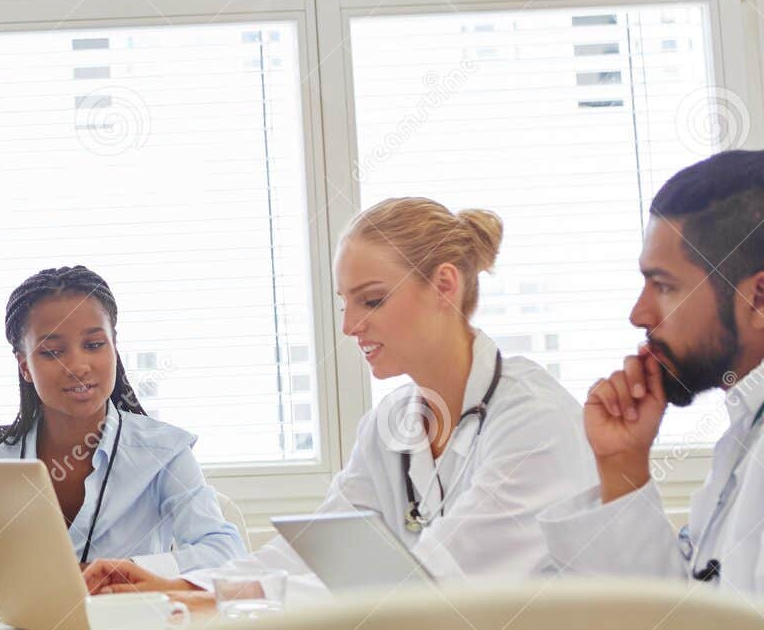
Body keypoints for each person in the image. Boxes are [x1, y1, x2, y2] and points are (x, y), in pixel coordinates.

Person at [85, 199, 595, 604]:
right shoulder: (392, 423)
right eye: (345, 302)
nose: (350, 326)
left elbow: (433, 583)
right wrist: (180, 586)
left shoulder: (534, 420)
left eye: (371, 300)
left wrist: (217, 597)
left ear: (444, 285)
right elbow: (309, 556)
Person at [539, 150, 764, 588]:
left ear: (758, 298)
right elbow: (678, 623)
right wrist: (622, 465)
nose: (639, 314)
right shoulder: (745, 430)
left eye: (663, 286)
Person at [0, 265, 245, 575]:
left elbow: (224, 551)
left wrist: (127, 572)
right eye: (53, 351)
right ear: (25, 365)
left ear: (114, 347)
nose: (78, 366)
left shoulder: (164, 451)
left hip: (131, 620)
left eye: (94, 345)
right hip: (9, 624)